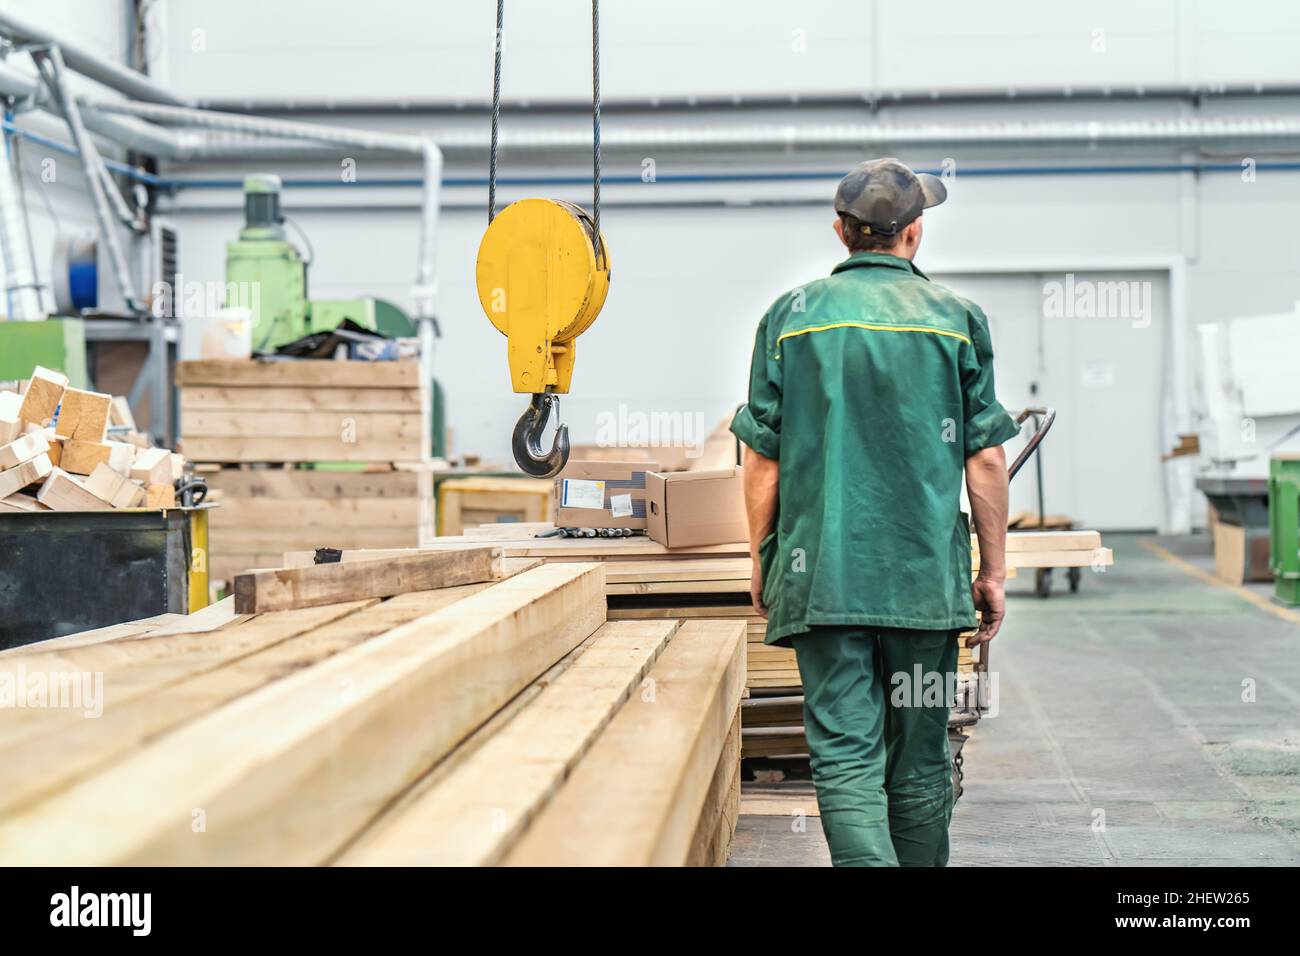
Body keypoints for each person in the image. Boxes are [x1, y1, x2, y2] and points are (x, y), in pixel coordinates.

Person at [730, 157, 1020, 867]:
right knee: (919, 753)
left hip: (822, 576)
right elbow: (983, 459)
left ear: (840, 232)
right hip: (922, 581)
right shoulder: (956, 320)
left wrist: (763, 558)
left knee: (845, 751)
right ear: (914, 232)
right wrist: (994, 571)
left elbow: (761, 461)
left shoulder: (791, 318)